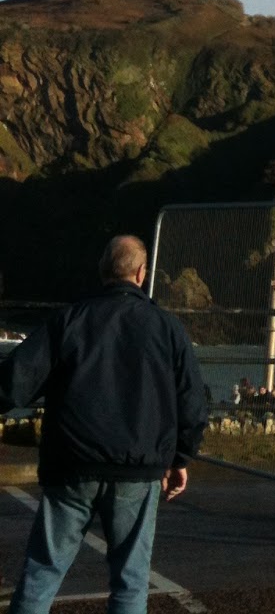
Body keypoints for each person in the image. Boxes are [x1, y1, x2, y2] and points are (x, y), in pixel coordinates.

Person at [0, 234, 207, 614]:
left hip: (72, 464)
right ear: (142, 273)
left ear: (102, 271)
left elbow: (14, 381)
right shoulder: (167, 327)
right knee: (130, 582)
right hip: (139, 468)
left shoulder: (69, 319)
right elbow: (192, 402)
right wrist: (180, 458)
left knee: (42, 571)